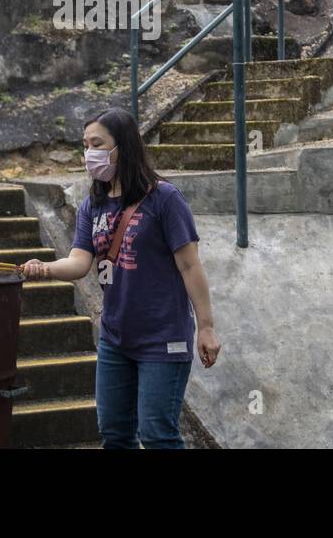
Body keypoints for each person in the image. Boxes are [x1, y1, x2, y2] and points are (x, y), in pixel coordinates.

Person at [21, 107, 220, 448]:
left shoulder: (164, 199)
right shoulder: (92, 205)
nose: (89, 154)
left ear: (122, 146)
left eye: (97, 144)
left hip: (162, 338)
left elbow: (190, 266)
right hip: (116, 338)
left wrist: (206, 326)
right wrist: (44, 268)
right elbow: (79, 262)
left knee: (157, 435)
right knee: (114, 433)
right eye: (85, 145)